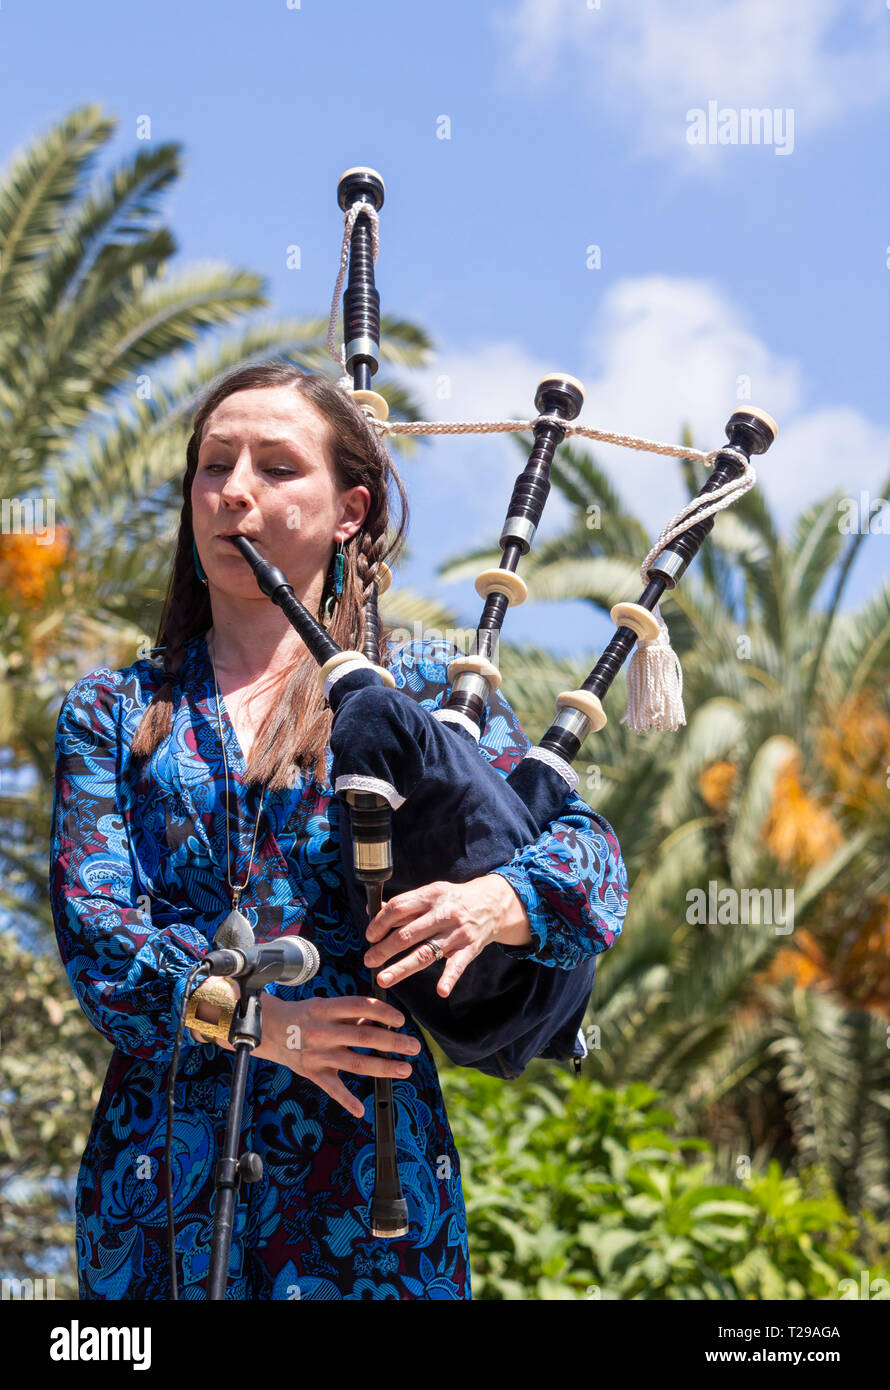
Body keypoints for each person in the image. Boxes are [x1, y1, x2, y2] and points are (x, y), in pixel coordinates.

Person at [48, 359, 628, 1301]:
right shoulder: (112, 711)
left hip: (372, 1182)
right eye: (213, 466)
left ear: (349, 510)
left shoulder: (431, 702)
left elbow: (591, 862)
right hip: (160, 1183)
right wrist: (261, 1026)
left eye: (277, 468)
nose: (234, 491)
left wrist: (500, 901)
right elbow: (98, 937)